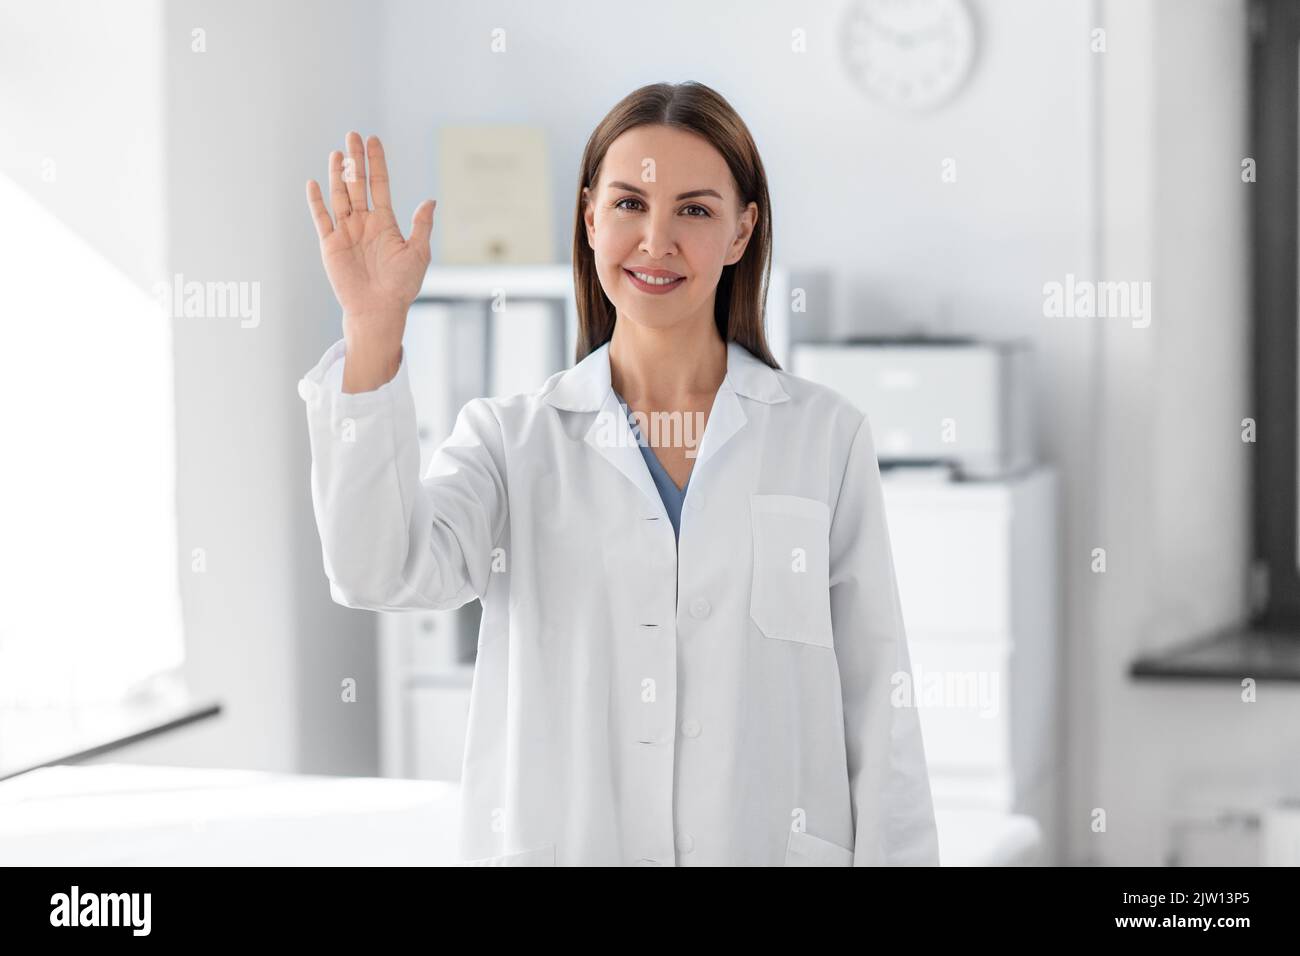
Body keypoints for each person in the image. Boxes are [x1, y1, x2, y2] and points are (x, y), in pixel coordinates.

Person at [298, 81, 939, 866]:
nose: (655, 240)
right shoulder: (512, 440)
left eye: (695, 210)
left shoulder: (824, 437)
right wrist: (372, 333)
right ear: (590, 215)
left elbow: (881, 707)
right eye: (630, 203)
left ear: (742, 231)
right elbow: (375, 572)